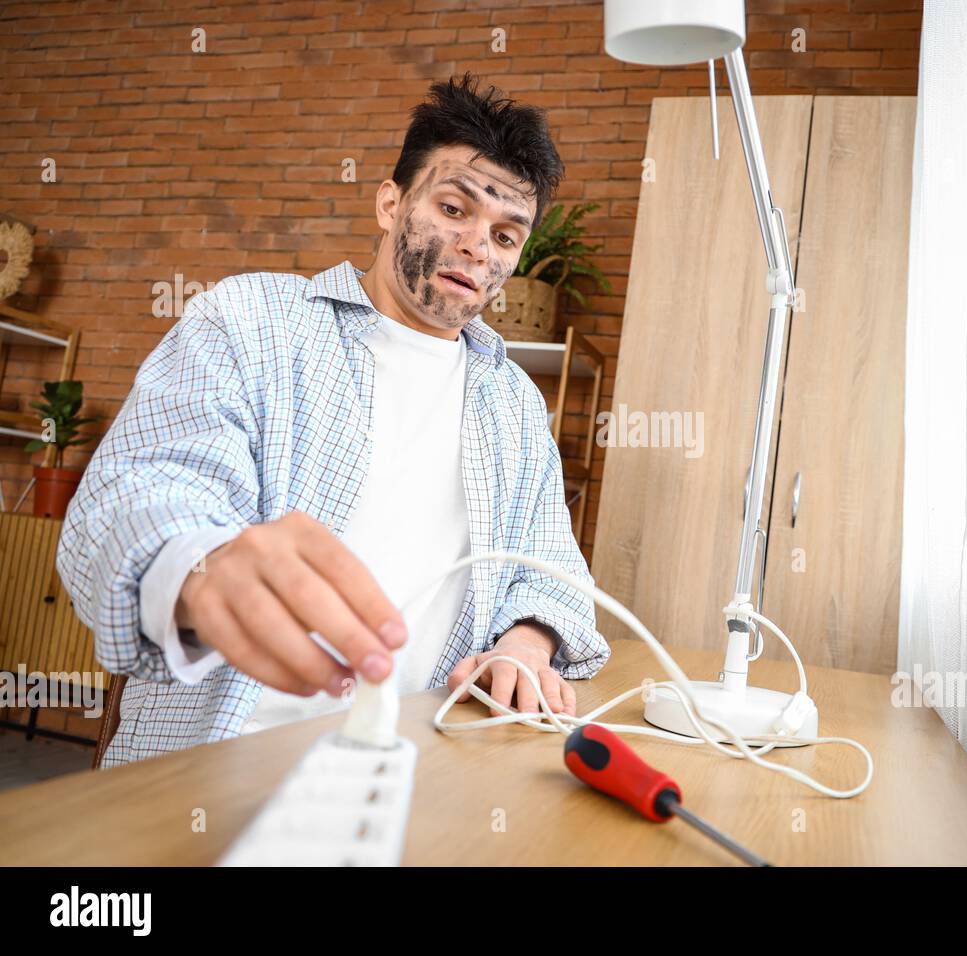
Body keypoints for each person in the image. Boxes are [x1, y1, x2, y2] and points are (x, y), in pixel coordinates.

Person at [56, 73, 611, 767]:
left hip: (413, 777)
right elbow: (137, 492)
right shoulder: (250, 321)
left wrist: (524, 644)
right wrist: (201, 570)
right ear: (389, 201)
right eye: (453, 208)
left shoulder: (515, 403)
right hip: (209, 773)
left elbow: (551, 567)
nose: (478, 247)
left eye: (505, 234)